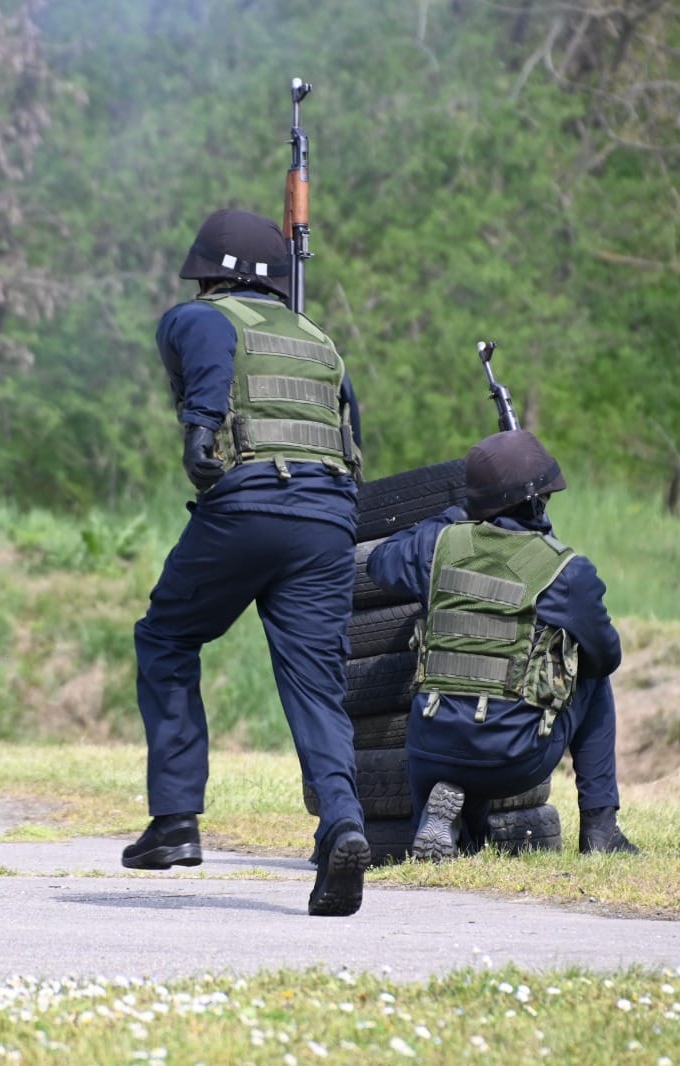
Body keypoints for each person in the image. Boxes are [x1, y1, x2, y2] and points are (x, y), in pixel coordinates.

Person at [125, 207, 371, 917]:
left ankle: (174, 821)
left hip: (252, 502)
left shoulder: (200, 317)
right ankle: (342, 826)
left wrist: (200, 432)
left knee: (166, 637)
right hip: (328, 519)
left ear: (210, 273)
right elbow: (351, 436)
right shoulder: (322, 342)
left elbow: (203, 364)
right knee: (316, 684)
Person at [365, 430, 640, 859]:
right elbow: (608, 656)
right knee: (593, 678)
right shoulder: (565, 571)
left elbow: (381, 562)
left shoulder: (439, 546)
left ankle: (450, 821)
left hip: (429, 751)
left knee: (467, 818)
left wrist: (451, 519)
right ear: (536, 501)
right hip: (511, 760)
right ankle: (602, 830)